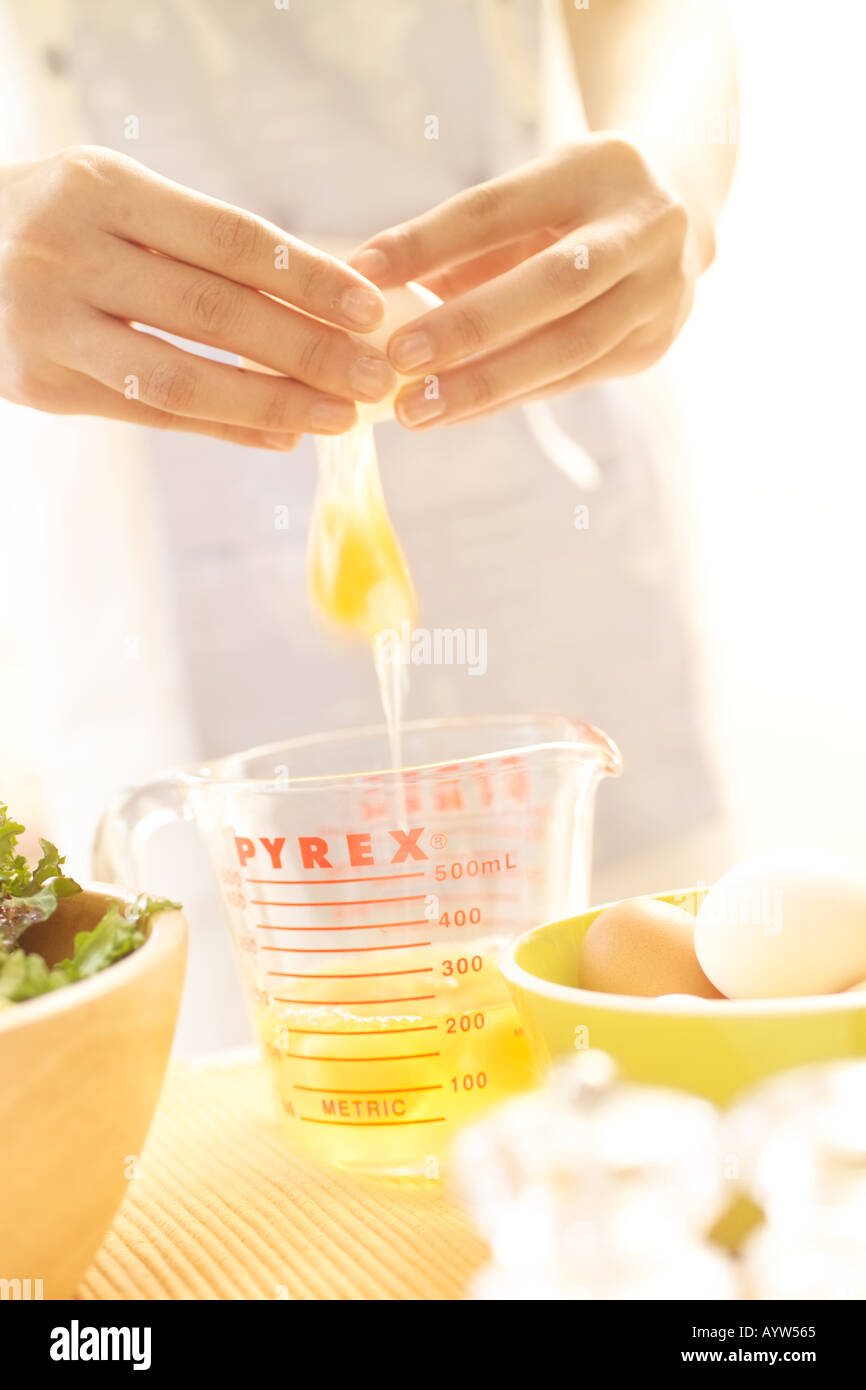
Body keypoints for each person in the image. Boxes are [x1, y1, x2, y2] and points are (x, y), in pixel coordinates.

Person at [0, 0, 736, 1046]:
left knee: (628, 1054)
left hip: (531, 433)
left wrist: (677, 184)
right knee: (242, 1077)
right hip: (131, 450)